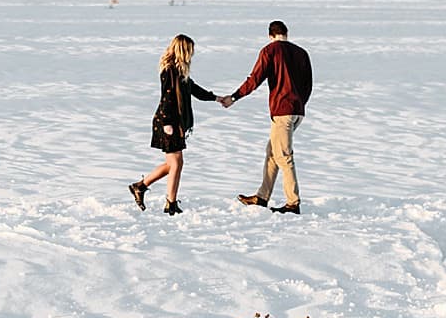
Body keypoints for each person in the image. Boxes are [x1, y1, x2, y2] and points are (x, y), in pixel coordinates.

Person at [222, 20, 312, 214]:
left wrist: (235, 97)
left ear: (270, 36)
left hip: (282, 110)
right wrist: (300, 104)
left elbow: (255, 79)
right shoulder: (302, 53)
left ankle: (293, 203)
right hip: (298, 110)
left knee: (284, 156)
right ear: (286, 33)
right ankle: (262, 196)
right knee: (272, 151)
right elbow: (308, 84)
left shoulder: (270, 51)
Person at [130, 33, 219, 216]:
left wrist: (216, 98)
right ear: (183, 50)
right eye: (190, 51)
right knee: (177, 162)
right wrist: (167, 123)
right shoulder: (169, 70)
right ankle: (170, 203)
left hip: (175, 122)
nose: (192, 55)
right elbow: (167, 97)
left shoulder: (181, 72)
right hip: (167, 122)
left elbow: (195, 90)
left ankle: (140, 186)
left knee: (173, 164)